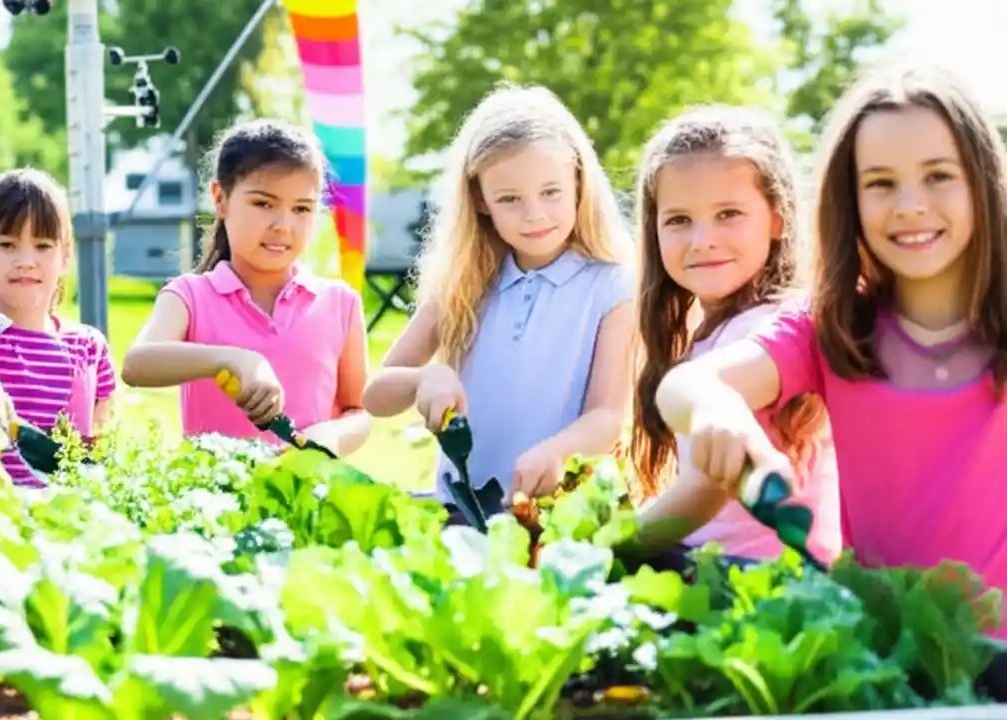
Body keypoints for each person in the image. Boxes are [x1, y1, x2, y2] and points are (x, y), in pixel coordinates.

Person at [655, 63, 1007, 632]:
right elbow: (687, 386)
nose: (910, 204)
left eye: (939, 175)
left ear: (982, 182)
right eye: (881, 183)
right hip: (889, 667)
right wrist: (719, 415)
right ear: (850, 198)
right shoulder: (834, 326)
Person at [361, 84, 635, 508]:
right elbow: (376, 396)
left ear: (579, 183)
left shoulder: (612, 285)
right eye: (510, 199)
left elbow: (607, 415)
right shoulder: (465, 281)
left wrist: (556, 452)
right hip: (460, 511)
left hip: (558, 515)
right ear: (480, 201)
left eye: (551, 192)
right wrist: (424, 378)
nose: (534, 214)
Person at [628, 105, 840, 564]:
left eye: (728, 213)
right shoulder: (711, 334)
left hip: (763, 584)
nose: (702, 238)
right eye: (679, 220)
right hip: (715, 568)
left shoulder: (765, 332)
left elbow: (701, 495)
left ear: (777, 218)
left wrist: (606, 546)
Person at [122, 119, 370, 457]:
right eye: (264, 204)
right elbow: (137, 365)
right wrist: (232, 359)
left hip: (309, 501)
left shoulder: (340, 303)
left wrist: (330, 436)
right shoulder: (190, 295)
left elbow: (357, 411)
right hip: (213, 502)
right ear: (220, 199)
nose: (283, 225)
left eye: (301, 209)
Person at [0, 168, 116, 486]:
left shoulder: (89, 346)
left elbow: (100, 443)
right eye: (7, 244)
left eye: (43, 245)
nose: (26, 260)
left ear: (65, 256)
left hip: (59, 521)